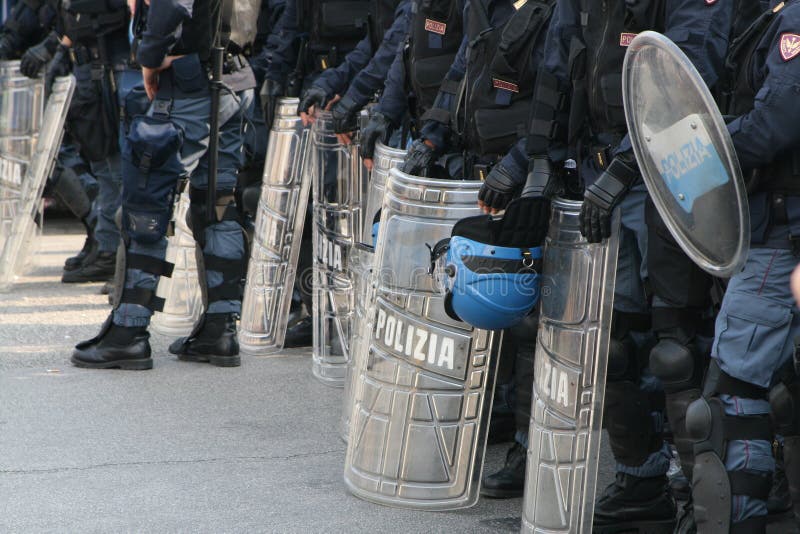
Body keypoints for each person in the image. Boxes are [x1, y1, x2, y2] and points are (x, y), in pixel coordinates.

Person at [510, 0, 734, 530]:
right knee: (612, 342)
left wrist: (631, 164)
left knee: (678, 346)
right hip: (604, 171)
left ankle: (699, 500)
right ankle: (641, 480)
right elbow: (556, 72)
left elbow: (688, 80)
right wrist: (540, 156)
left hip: (680, 170)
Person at [398, 0, 555, 499]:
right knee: (483, 302)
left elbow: (554, 99)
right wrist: (432, 132)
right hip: (484, 174)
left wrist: (523, 163)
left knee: (531, 322)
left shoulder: (555, 12)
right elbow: (462, 72)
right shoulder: (483, 7)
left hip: (533, 179)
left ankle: (531, 449)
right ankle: (497, 412)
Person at [71, 0, 250, 369]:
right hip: (233, 75)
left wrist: (149, 57)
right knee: (217, 203)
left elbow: (174, 3)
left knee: (146, 207)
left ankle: (129, 332)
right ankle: (221, 329)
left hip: (189, 81)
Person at [680, 1, 800, 530]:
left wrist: (697, 152)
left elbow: (775, 121)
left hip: (781, 239)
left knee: (732, 402)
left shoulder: (794, 21)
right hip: (775, 234)